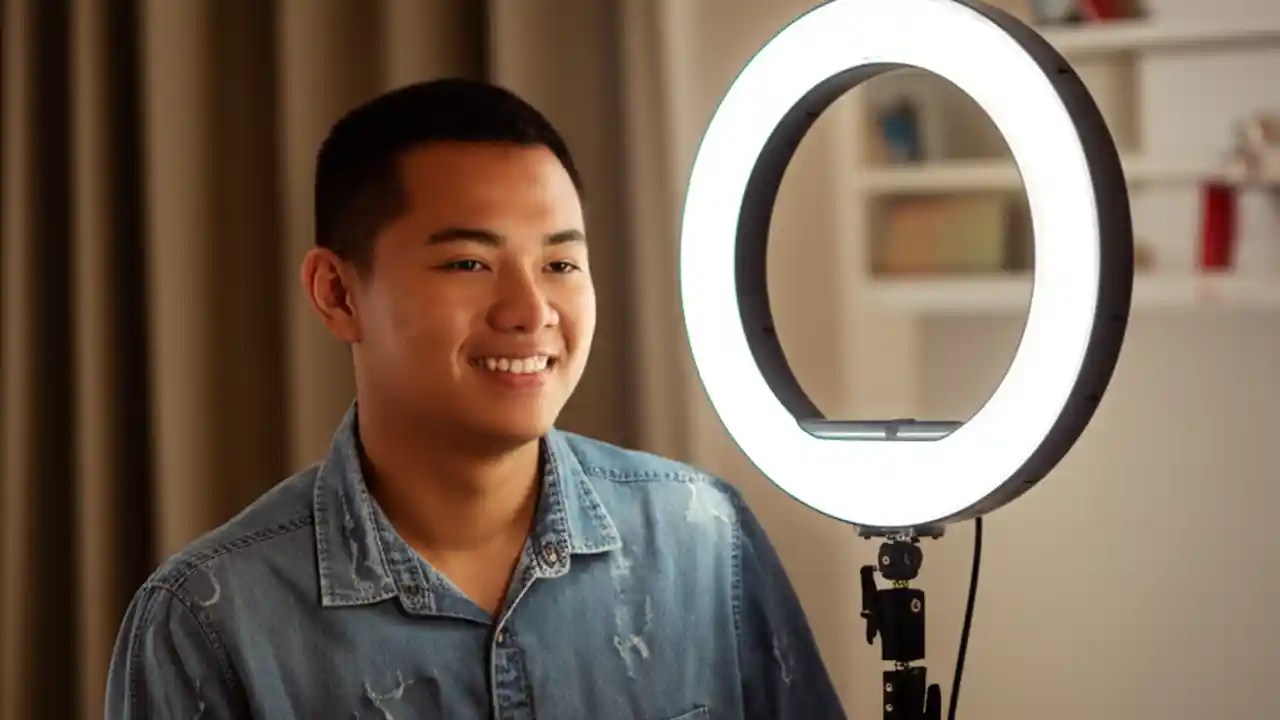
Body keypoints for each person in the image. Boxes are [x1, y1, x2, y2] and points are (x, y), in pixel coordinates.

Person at [105, 78, 846, 719]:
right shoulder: (209, 618)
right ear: (336, 293)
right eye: (468, 262)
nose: (530, 310)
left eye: (560, 262)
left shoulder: (702, 540)